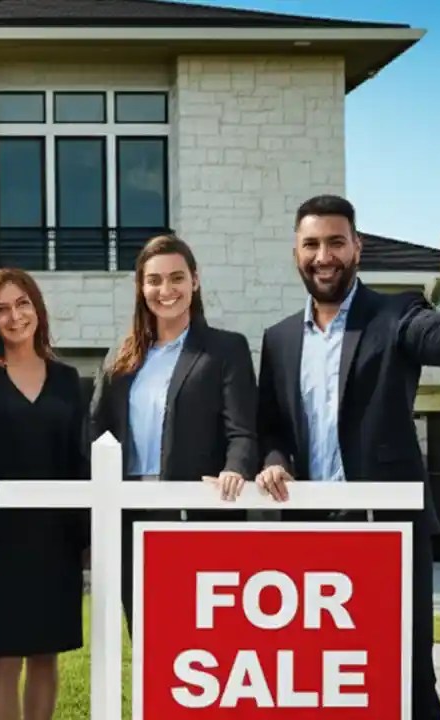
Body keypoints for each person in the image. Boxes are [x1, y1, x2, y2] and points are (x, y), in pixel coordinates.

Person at [256, 194, 440, 720]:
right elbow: (272, 427)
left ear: (357, 248)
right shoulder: (278, 339)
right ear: (296, 252)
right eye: (312, 244)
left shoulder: (398, 312)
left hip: (389, 526)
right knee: (322, 674)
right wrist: (275, 459)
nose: (324, 255)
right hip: (310, 529)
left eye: (336, 242)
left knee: (407, 674)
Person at [89, 234, 257, 631]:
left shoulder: (225, 350)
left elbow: (243, 431)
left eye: (176, 278)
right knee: (147, 636)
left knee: (202, 638)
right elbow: (96, 432)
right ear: (140, 287)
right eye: (154, 280)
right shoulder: (121, 358)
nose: (166, 290)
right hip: (133, 516)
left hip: (200, 515)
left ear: (195, 281)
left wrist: (237, 468)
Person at [0, 268, 88, 720]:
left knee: (46, 656)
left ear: (37, 310)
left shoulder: (69, 379)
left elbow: (80, 463)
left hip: (55, 539)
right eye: (1, 308)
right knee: (3, 659)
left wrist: (86, 536)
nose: (14, 316)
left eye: (22, 304)